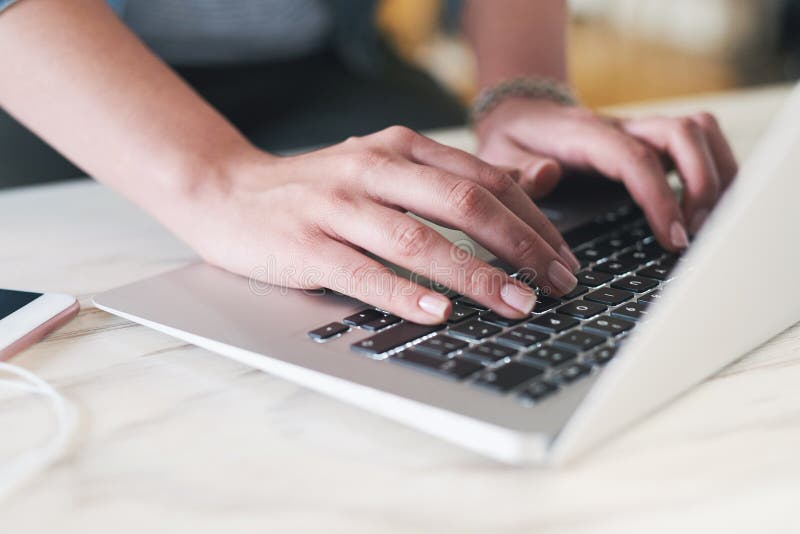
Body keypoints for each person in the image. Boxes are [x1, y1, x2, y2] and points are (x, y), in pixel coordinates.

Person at [0, 0, 737, 325]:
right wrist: (215, 179)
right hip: (49, 85)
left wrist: (523, 90)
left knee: (494, 227)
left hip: (323, 66)